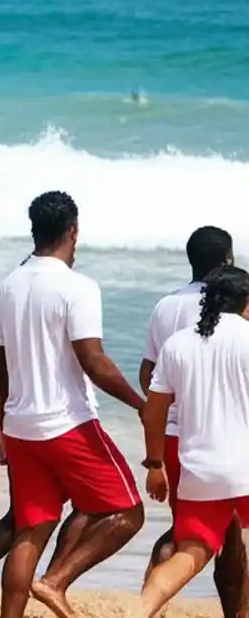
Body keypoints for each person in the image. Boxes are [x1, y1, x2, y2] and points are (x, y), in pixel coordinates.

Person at [0, 191, 144, 618]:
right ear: (73, 231)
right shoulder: (77, 287)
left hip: (21, 427)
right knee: (128, 512)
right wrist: (140, 403)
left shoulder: (9, 285)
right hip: (66, 424)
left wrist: (5, 419)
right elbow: (93, 360)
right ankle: (55, 581)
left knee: (30, 529)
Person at [138, 226, 247, 615]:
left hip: (186, 451)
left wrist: (153, 463)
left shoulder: (169, 318)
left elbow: (150, 391)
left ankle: (142, 608)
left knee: (194, 545)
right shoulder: (244, 333)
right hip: (237, 452)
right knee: (230, 546)